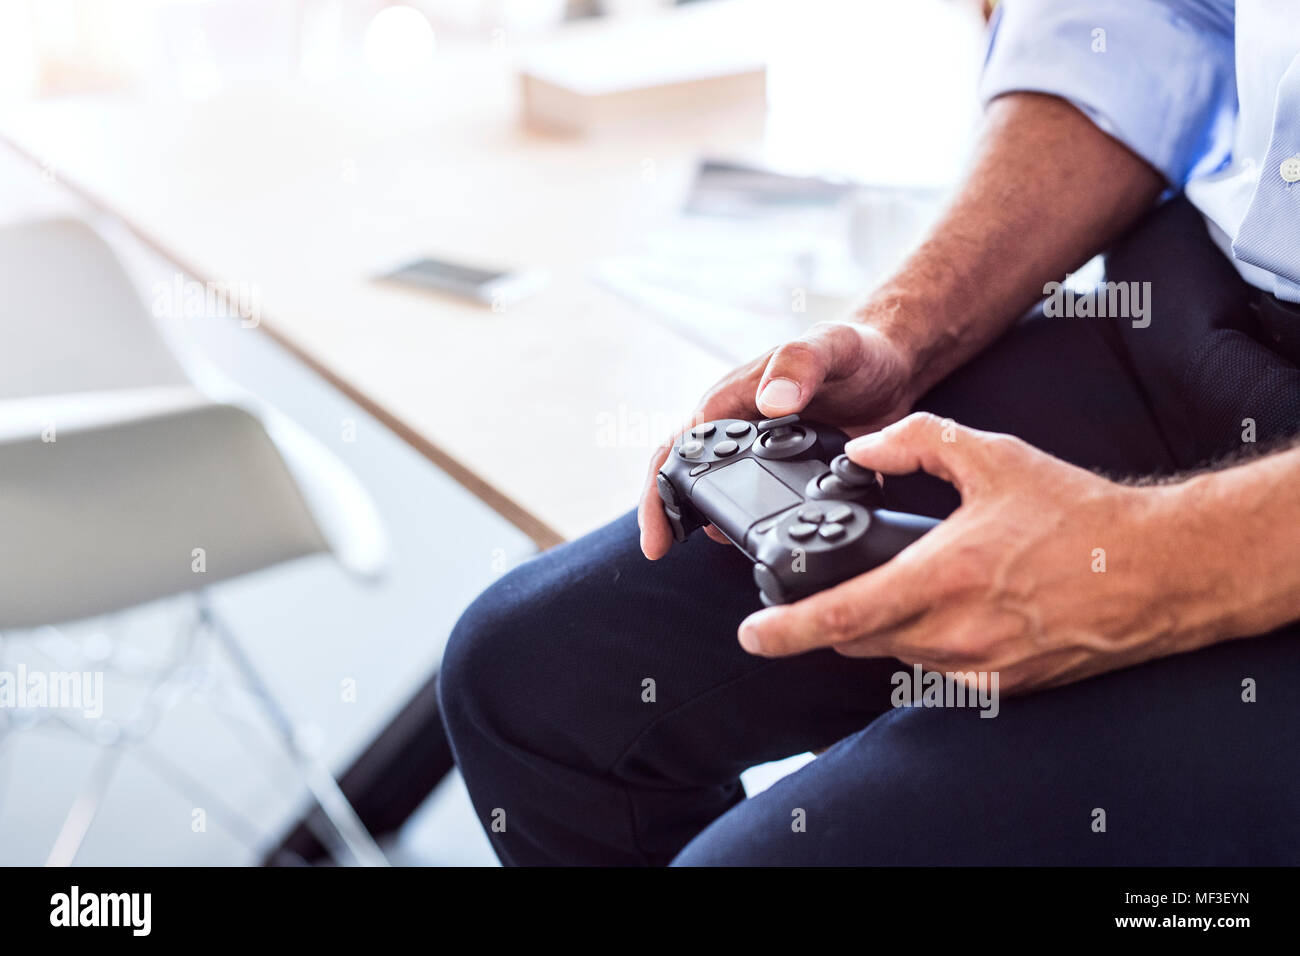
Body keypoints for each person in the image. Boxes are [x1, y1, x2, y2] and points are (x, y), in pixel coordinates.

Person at [439, 0, 1300, 865]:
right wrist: (907, 328)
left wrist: (1145, 570)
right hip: (1199, 321)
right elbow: (1140, 32)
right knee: (527, 682)